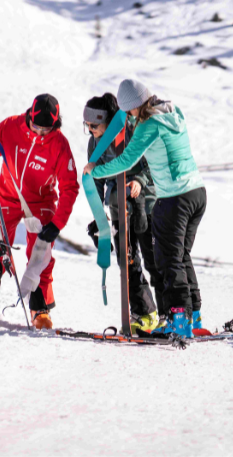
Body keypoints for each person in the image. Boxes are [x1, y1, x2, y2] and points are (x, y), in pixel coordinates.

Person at [83, 80, 206, 338]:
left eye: (128, 111)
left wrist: (100, 170)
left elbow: (129, 160)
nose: (128, 117)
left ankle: (178, 322)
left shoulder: (145, 126)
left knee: (167, 260)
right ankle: (191, 317)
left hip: (172, 198)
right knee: (179, 257)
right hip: (196, 191)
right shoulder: (173, 112)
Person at [0, 94, 80, 330]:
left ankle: (40, 310)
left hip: (41, 202)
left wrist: (57, 224)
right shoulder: (11, 126)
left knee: (40, 255)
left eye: (46, 129)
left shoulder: (60, 144)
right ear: (29, 116)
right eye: (37, 127)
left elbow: (70, 186)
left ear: (55, 124)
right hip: (8, 196)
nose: (41, 133)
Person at [83, 93, 164, 335]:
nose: (90, 130)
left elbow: (151, 161)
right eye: (86, 125)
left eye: (94, 125)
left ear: (108, 122)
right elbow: (95, 178)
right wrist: (100, 217)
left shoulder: (131, 131)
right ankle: (144, 314)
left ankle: (170, 314)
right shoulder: (94, 144)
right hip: (119, 207)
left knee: (153, 260)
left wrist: (139, 180)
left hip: (146, 203)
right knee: (127, 262)